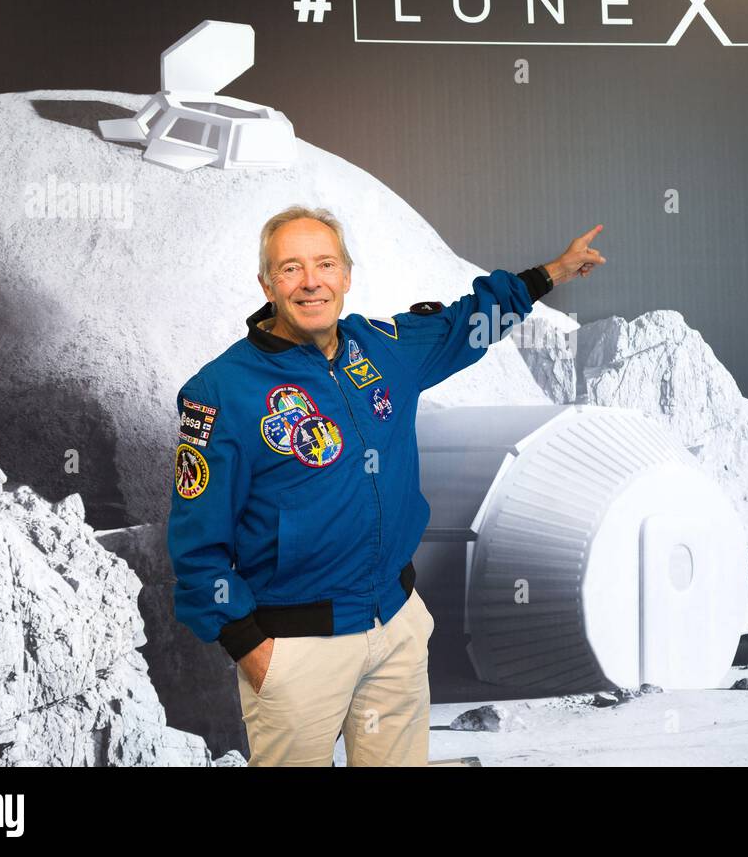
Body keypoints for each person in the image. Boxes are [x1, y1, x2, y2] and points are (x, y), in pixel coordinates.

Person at [165, 205, 605, 766]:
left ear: (346, 276)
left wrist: (548, 275)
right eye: (290, 268)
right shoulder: (220, 392)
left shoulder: (383, 347)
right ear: (266, 284)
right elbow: (197, 547)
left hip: (394, 625)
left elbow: (465, 326)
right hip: (298, 649)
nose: (310, 282)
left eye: (324, 264)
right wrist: (249, 646)